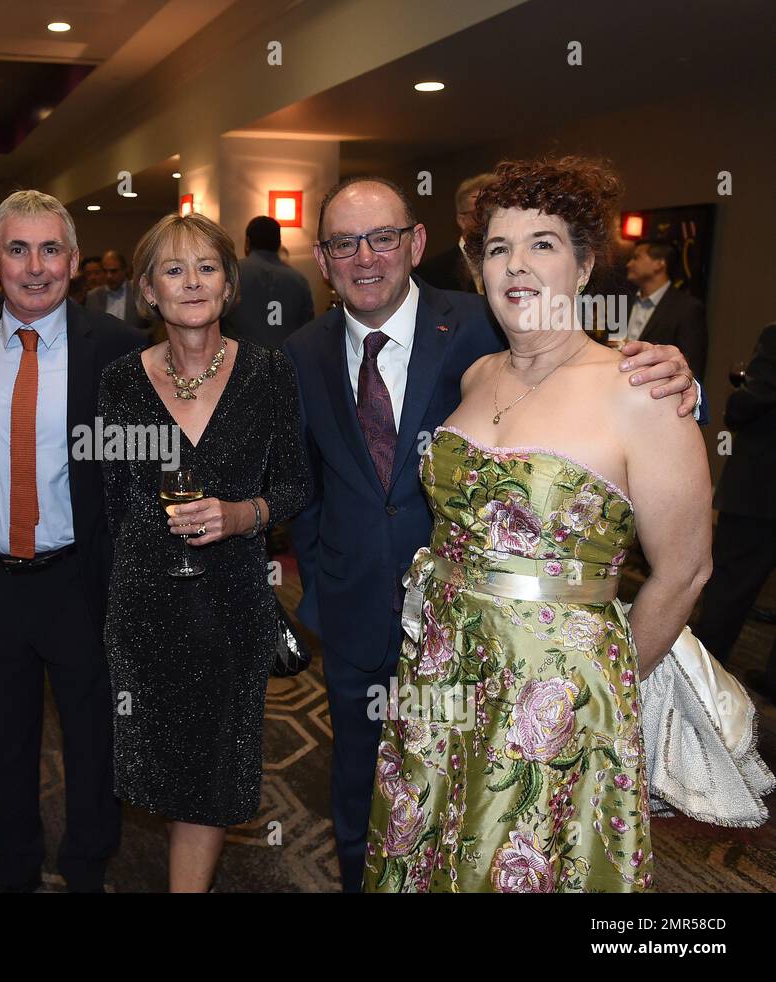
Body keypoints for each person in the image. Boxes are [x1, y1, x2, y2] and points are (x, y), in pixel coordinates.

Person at [285, 174, 699, 892]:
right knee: (413, 832)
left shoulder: (637, 387)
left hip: (552, 696)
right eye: (499, 248)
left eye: (542, 244)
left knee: (520, 858)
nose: (518, 266)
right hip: (430, 663)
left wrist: (603, 689)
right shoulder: (477, 370)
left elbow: (686, 571)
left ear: (585, 261)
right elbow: (306, 483)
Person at [98, 212, 309, 891]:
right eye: (173, 269)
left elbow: (300, 485)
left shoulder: (269, 373)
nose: (192, 282)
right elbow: (113, 504)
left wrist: (244, 514)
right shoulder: (120, 383)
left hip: (231, 609)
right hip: (145, 613)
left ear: (229, 283)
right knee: (158, 774)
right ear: (148, 293)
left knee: (213, 782)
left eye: (207, 267)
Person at [0, 190, 140, 892]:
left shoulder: (120, 349)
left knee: (95, 735)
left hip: (82, 577)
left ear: (74, 261)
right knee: (1, 739)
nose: (36, 267)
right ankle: (13, 865)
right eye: (19, 249)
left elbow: (140, 477)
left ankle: (89, 864)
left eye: (51, 249)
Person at [694, 322, 776, 702]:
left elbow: (750, 402)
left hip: (762, 488)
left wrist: (735, 402)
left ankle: (702, 680)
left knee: (728, 588)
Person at [224, 215, 315, 350]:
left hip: (240, 362)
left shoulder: (233, 273)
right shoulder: (299, 281)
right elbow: (307, 331)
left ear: (247, 242)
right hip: (287, 363)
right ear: (279, 243)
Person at [624, 238, 708, 378]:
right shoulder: (624, 301)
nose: (629, 264)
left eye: (636, 258)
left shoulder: (687, 309)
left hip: (657, 393)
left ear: (659, 264)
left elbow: (691, 369)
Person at [417, 173, 497, 294]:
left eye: (493, 213)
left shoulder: (507, 263)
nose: (488, 220)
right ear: (461, 220)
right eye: (479, 214)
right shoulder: (430, 274)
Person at [85, 249, 145, 329]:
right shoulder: (93, 296)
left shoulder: (138, 291)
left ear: (124, 270)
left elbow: (152, 325)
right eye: (105, 271)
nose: (109, 276)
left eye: (114, 271)